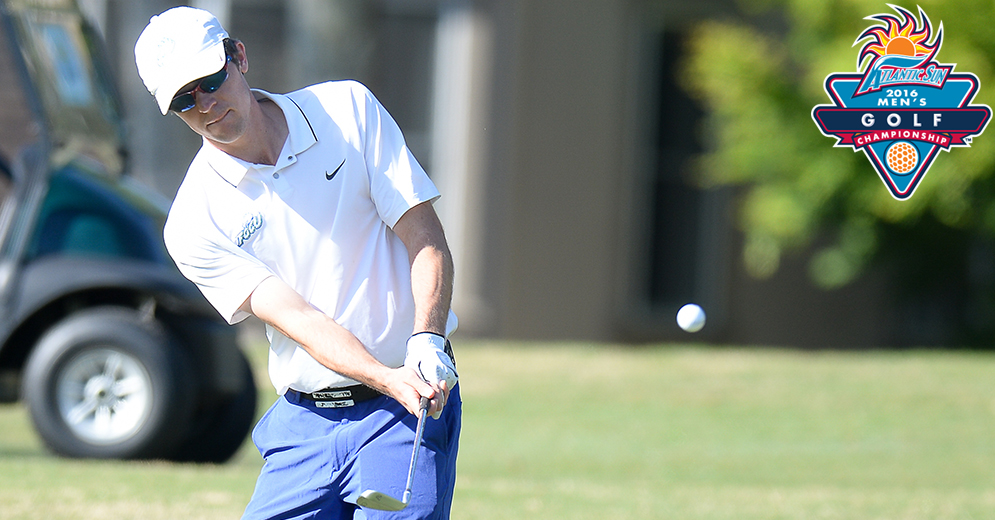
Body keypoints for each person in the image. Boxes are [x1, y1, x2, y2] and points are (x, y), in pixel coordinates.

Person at [134, 7, 460, 519]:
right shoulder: (192, 222)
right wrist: (384, 376)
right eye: (183, 99)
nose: (205, 104)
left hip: (404, 406)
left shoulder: (348, 110)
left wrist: (427, 341)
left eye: (210, 80)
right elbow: (300, 319)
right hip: (305, 423)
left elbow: (425, 237)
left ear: (239, 57)